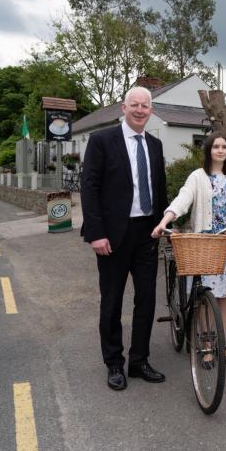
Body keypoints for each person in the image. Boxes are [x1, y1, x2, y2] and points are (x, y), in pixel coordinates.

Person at [80, 86, 168, 391]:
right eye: (135, 105)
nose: (141, 110)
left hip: (147, 233)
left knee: (146, 300)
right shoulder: (102, 140)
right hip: (113, 236)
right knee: (112, 301)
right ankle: (114, 364)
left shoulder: (155, 145)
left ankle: (139, 361)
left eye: (146, 106)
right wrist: (96, 233)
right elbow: (88, 189)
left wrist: (162, 226)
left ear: (151, 110)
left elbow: (160, 190)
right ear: (123, 107)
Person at [152, 133, 226, 363]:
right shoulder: (197, 177)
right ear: (208, 150)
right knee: (205, 296)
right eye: (215, 146)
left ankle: (222, 343)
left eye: (224, 146)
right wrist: (165, 221)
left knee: (224, 296)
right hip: (205, 245)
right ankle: (206, 345)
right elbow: (182, 200)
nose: (220, 150)